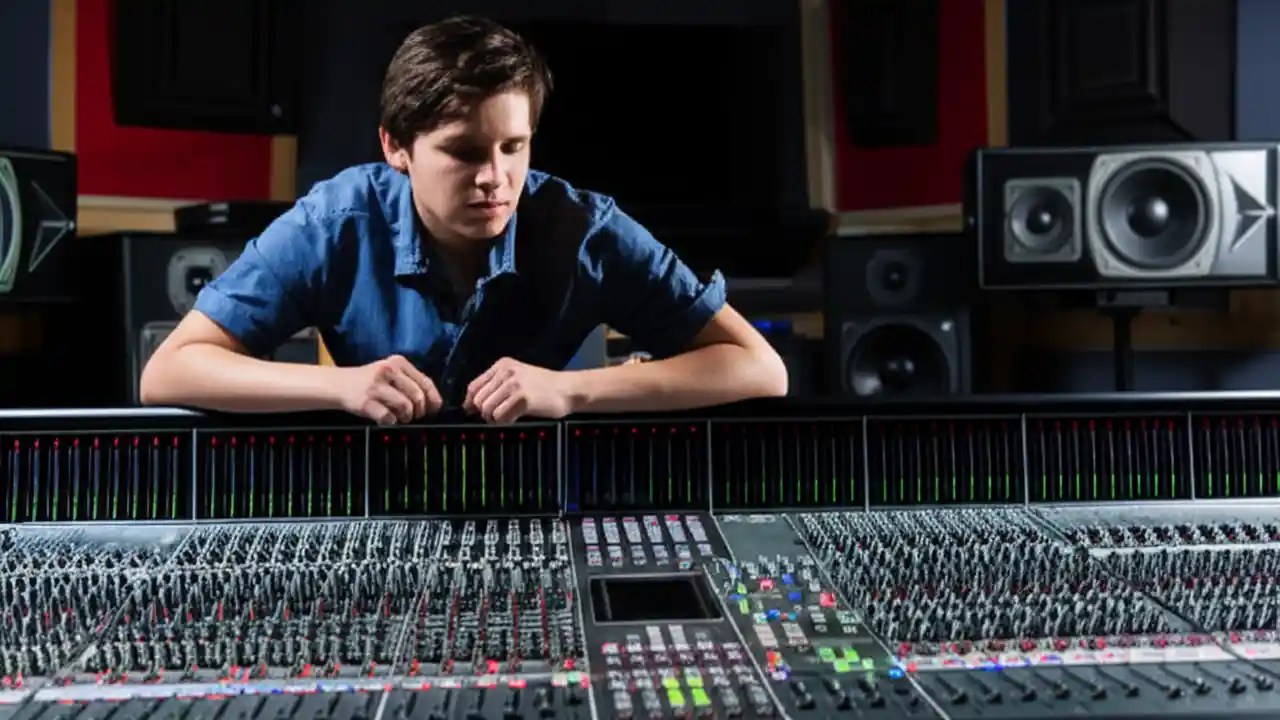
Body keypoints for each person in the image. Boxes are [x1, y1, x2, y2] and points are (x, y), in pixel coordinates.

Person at [139, 15, 787, 425]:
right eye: (463, 152)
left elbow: (759, 368)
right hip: (373, 497)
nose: (494, 178)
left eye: (514, 147)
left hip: (537, 498)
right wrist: (340, 388)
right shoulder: (333, 221)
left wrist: (574, 392)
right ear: (396, 147)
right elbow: (169, 372)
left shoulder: (587, 229)